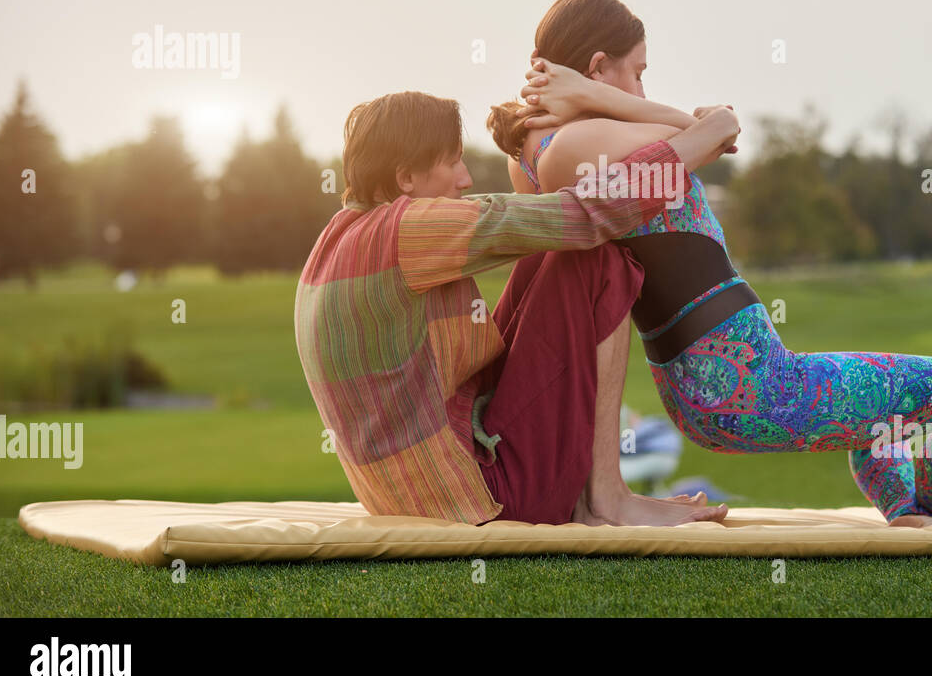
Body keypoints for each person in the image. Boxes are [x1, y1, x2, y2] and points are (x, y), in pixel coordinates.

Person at [487, 0, 932, 528]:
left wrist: (596, 95)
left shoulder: (531, 154)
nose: (642, 86)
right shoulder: (580, 143)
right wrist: (601, 98)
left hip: (707, 382)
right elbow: (718, 127)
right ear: (598, 67)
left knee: (886, 421)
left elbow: (709, 129)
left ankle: (909, 513)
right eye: (639, 72)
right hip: (755, 382)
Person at [294, 89, 738, 527]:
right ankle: (607, 498)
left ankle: (601, 495)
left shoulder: (339, 239)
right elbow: (586, 215)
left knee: (545, 251)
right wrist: (703, 137)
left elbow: (539, 224)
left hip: (419, 492)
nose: (465, 179)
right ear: (406, 176)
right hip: (481, 497)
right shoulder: (404, 231)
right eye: (452, 162)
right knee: (597, 258)